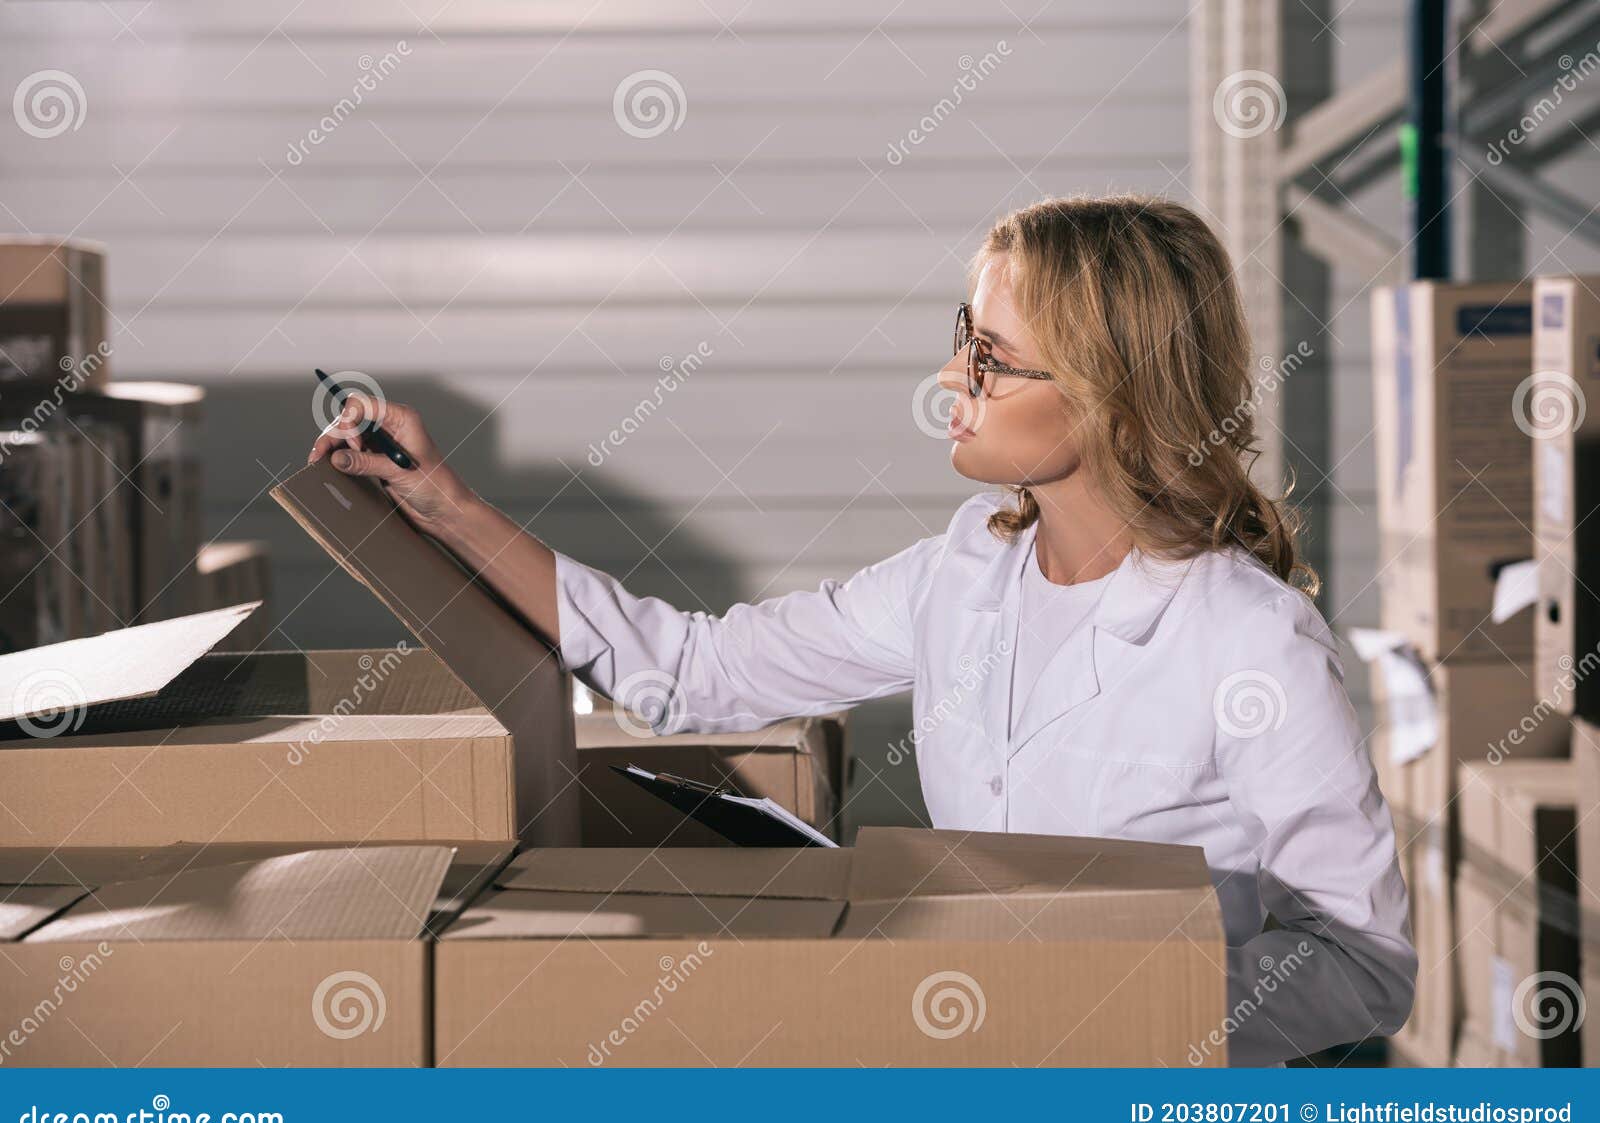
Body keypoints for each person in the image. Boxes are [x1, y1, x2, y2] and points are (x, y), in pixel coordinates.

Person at [308, 194, 1415, 1066]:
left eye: (990, 357)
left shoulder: (1248, 640)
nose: (950, 377)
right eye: (963, 338)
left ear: (1108, 398)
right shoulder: (961, 575)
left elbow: (1365, 964)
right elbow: (690, 671)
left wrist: (1118, 1001)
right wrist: (449, 508)